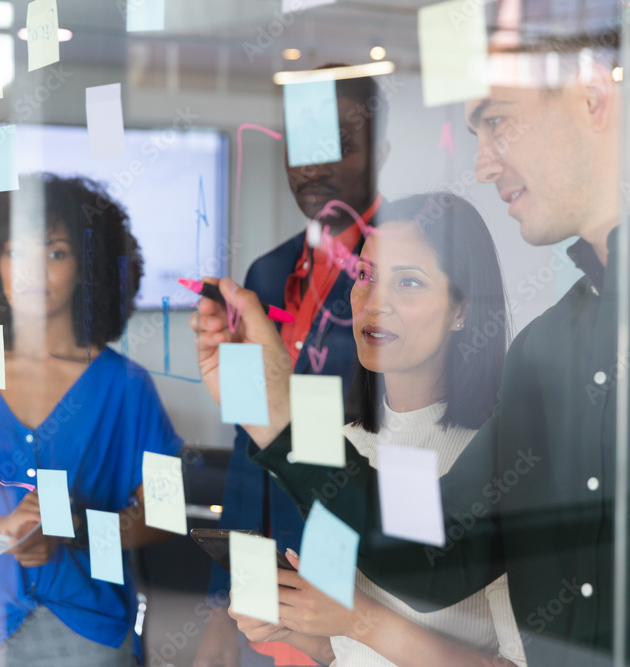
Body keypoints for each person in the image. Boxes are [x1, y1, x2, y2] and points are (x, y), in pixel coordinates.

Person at [193, 15, 630, 667]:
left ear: (595, 95)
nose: (482, 163)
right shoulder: (548, 346)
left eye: (496, 122)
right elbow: (435, 554)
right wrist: (275, 410)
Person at [228, 193, 527, 666]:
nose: (374, 302)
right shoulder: (344, 444)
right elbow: (343, 649)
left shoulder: (496, 459)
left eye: (408, 282)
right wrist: (288, 621)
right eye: (365, 276)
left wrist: (357, 619)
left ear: (462, 310)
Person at [0, 174, 183, 666]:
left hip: (89, 632)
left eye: (55, 252)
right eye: (17, 251)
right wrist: (3, 529)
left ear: (86, 266)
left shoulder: (127, 387)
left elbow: (164, 514)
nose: (33, 271)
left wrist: (73, 531)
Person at [194, 65, 390, 667]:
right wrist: (223, 601)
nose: (312, 167)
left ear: (381, 148)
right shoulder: (266, 274)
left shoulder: (401, 269)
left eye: (339, 144)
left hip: (360, 584)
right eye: (300, 148)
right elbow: (251, 440)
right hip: (269, 584)